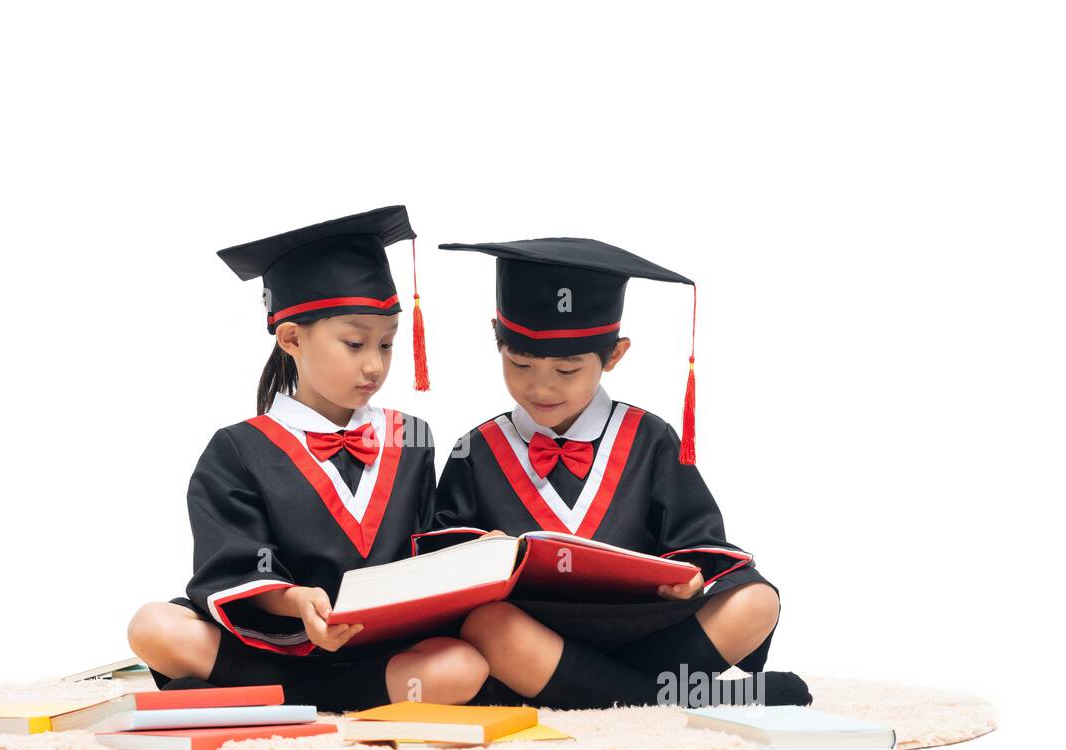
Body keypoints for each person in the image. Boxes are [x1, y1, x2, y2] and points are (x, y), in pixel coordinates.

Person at [127, 206, 488, 713]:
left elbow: (428, 540)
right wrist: (296, 603)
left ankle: (268, 701)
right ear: (292, 337)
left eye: (387, 344)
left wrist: (476, 554)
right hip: (276, 645)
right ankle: (332, 699)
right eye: (355, 342)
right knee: (153, 626)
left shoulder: (413, 437)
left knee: (464, 666)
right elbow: (233, 564)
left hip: (382, 650)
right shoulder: (238, 448)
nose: (374, 365)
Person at [428, 237, 812, 709]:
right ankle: (694, 700)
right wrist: (478, 554)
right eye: (520, 363)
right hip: (533, 636)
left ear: (614, 355)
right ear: (496, 339)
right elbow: (439, 551)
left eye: (567, 370)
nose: (540, 386)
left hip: (647, 632)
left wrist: (691, 576)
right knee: (485, 626)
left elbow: (699, 540)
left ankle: (601, 694)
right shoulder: (477, 449)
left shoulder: (650, 438)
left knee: (756, 601)